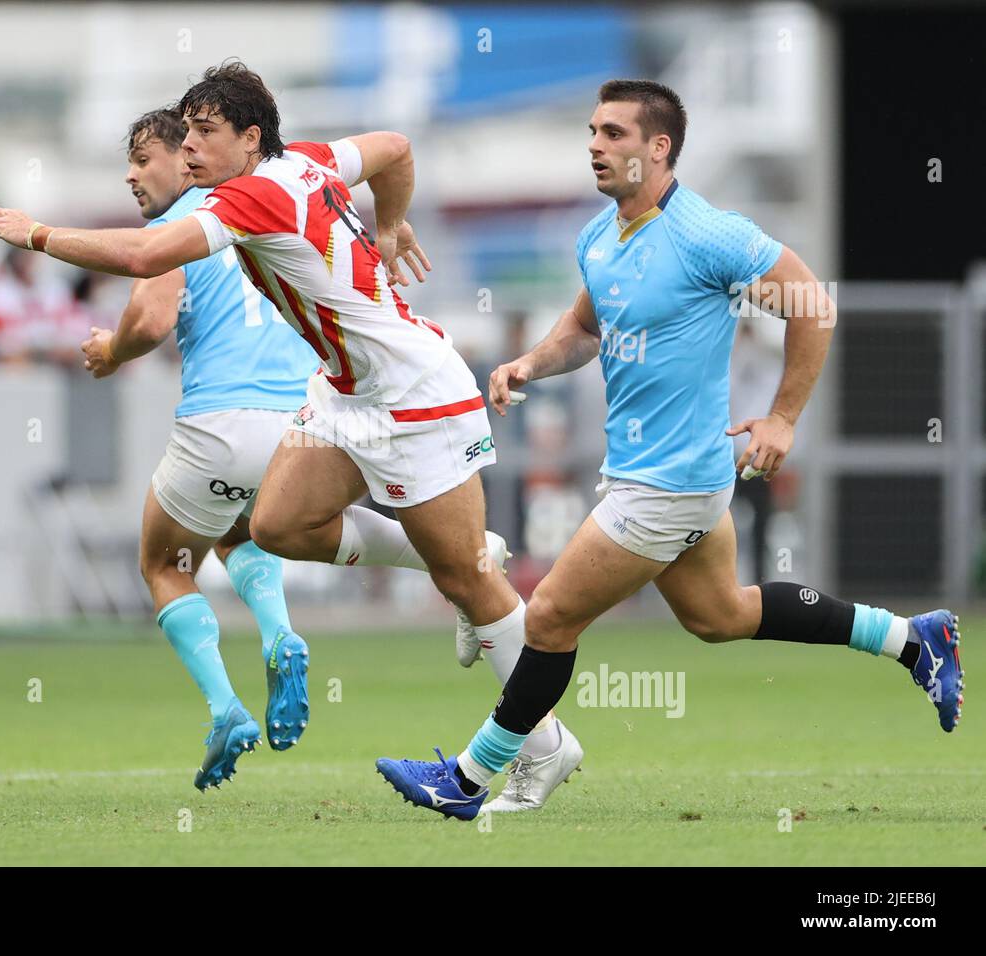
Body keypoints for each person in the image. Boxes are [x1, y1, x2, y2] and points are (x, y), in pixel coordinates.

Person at [0, 61, 581, 812]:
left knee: (470, 585)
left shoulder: (254, 193)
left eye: (204, 132)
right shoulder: (307, 160)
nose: (187, 146)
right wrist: (387, 222)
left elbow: (147, 257)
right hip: (343, 393)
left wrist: (38, 233)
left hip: (414, 397)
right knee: (279, 525)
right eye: (184, 130)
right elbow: (393, 147)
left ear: (249, 138)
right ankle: (459, 563)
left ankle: (540, 747)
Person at [375, 79, 963, 820]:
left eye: (614, 133)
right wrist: (532, 363)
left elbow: (814, 304)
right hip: (650, 473)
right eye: (592, 130)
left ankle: (465, 778)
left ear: (659, 147)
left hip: (673, 482)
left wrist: (782, 418)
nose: (595, 144)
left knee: (550, 616)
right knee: (722, 615)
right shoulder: (598, 237)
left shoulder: (709, 233)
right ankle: (916, 639)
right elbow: (585, 329)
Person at [81, 107, 316, 791]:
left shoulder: (180, 228)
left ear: (185, 159)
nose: (131, 174)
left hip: (222, 421)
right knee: (235, 530)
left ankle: (225, 709)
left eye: (142, 157)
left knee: (161, 562)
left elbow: (151, 318)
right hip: (302, 425)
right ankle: (278, 633)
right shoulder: (268, 207)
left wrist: (111, 351)